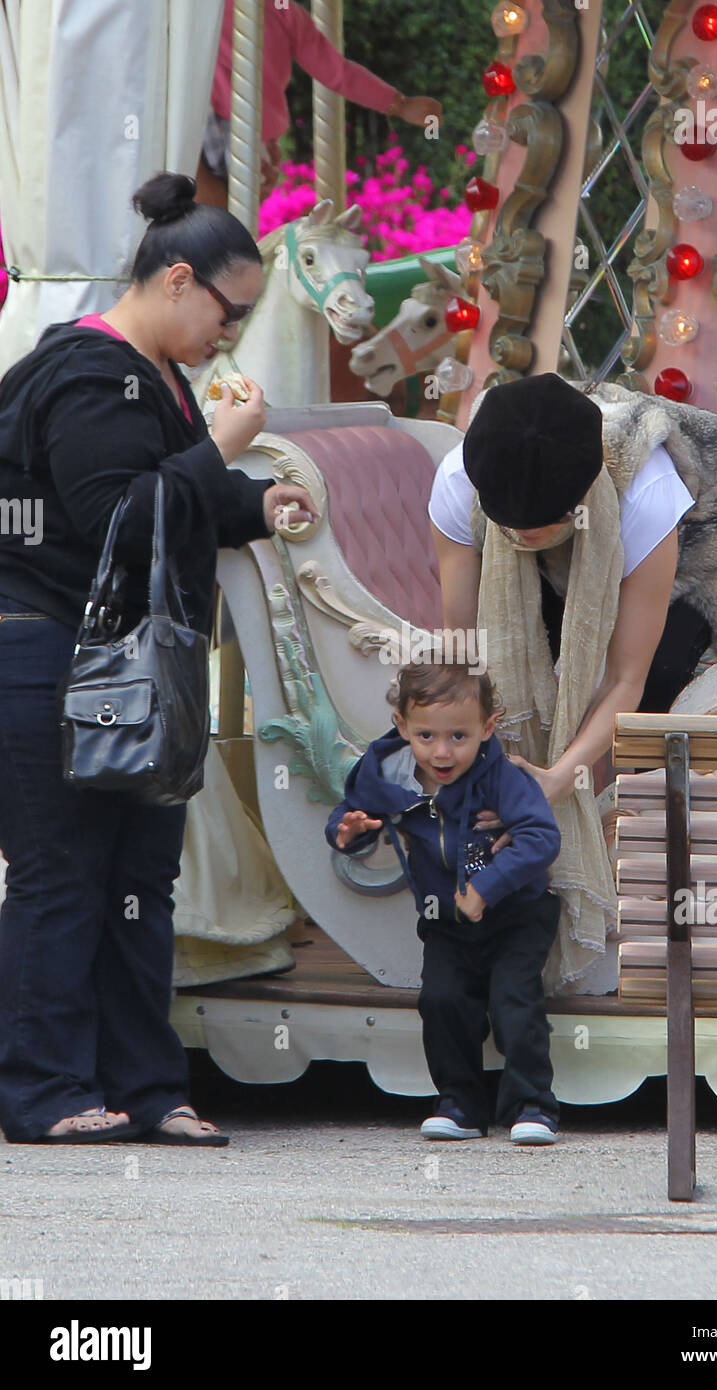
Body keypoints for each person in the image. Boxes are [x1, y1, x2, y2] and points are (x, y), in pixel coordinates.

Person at [0, 171, 316, 1145]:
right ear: (178, 279)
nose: (233, 332)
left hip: (119, 661)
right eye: (231, 310)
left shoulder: (151, 376)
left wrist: (255, 506)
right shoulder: (89, 375)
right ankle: (45, 1090)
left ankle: (144, 1084)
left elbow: (162, 500)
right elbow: (115, 520)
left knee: (140, 873)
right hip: (48, 652)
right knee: (64, 870)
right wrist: (221, 447)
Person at [429, 373, 717, 990]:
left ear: (579, 495)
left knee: (660, 673)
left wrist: (556, 776)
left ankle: (634, 879)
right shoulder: (459, 480)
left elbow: (627, 677)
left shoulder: (647, 492)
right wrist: (474, 758)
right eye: (510, 524)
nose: (522, 535)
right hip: (569, 561)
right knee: (530, 644)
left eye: (541, 523)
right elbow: (466, 646)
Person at [326, 663, 562, 1145]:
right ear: (401, 727)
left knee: (513, 1002)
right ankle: (460, 1103)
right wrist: (345, 833)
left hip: (516, 915)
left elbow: (540, 837)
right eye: (426, 735)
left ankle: (532, 1104)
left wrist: (485, 889)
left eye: (459, 735)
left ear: (487, 728)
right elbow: (351, 812)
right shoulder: (386, 774)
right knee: (442, 1001)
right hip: (444, 918)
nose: (442, 751)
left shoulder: (498, 775)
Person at [197, 0, 443, 207]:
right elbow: (338, 73)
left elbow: (337, 72)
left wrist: (398, 103)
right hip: (220, 121)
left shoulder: (283, 11)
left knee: (221, 218)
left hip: (240, 128)